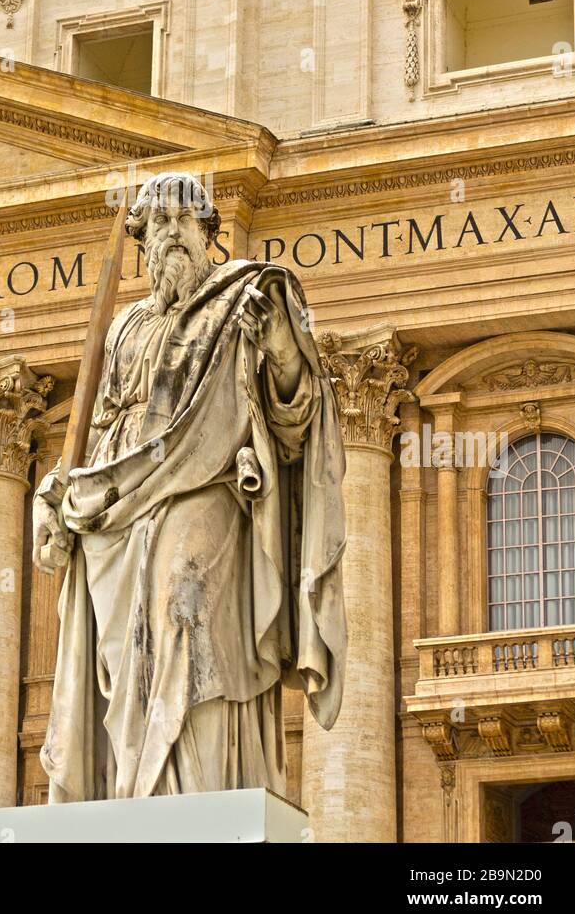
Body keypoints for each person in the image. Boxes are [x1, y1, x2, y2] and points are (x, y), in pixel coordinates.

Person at [34, 171, 346, 801]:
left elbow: (295, 418)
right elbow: (102, 425)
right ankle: (140, 792)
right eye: (157, 226)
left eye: (183, 222)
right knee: (130, 655)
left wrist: (281, 345)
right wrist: (65, 494)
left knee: (187, 599)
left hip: (210, 488)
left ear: (210, 234)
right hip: (120, 511)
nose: (170, 235)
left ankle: (197, 792)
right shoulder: (125, 328)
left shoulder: (243, 301)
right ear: (143, 242)